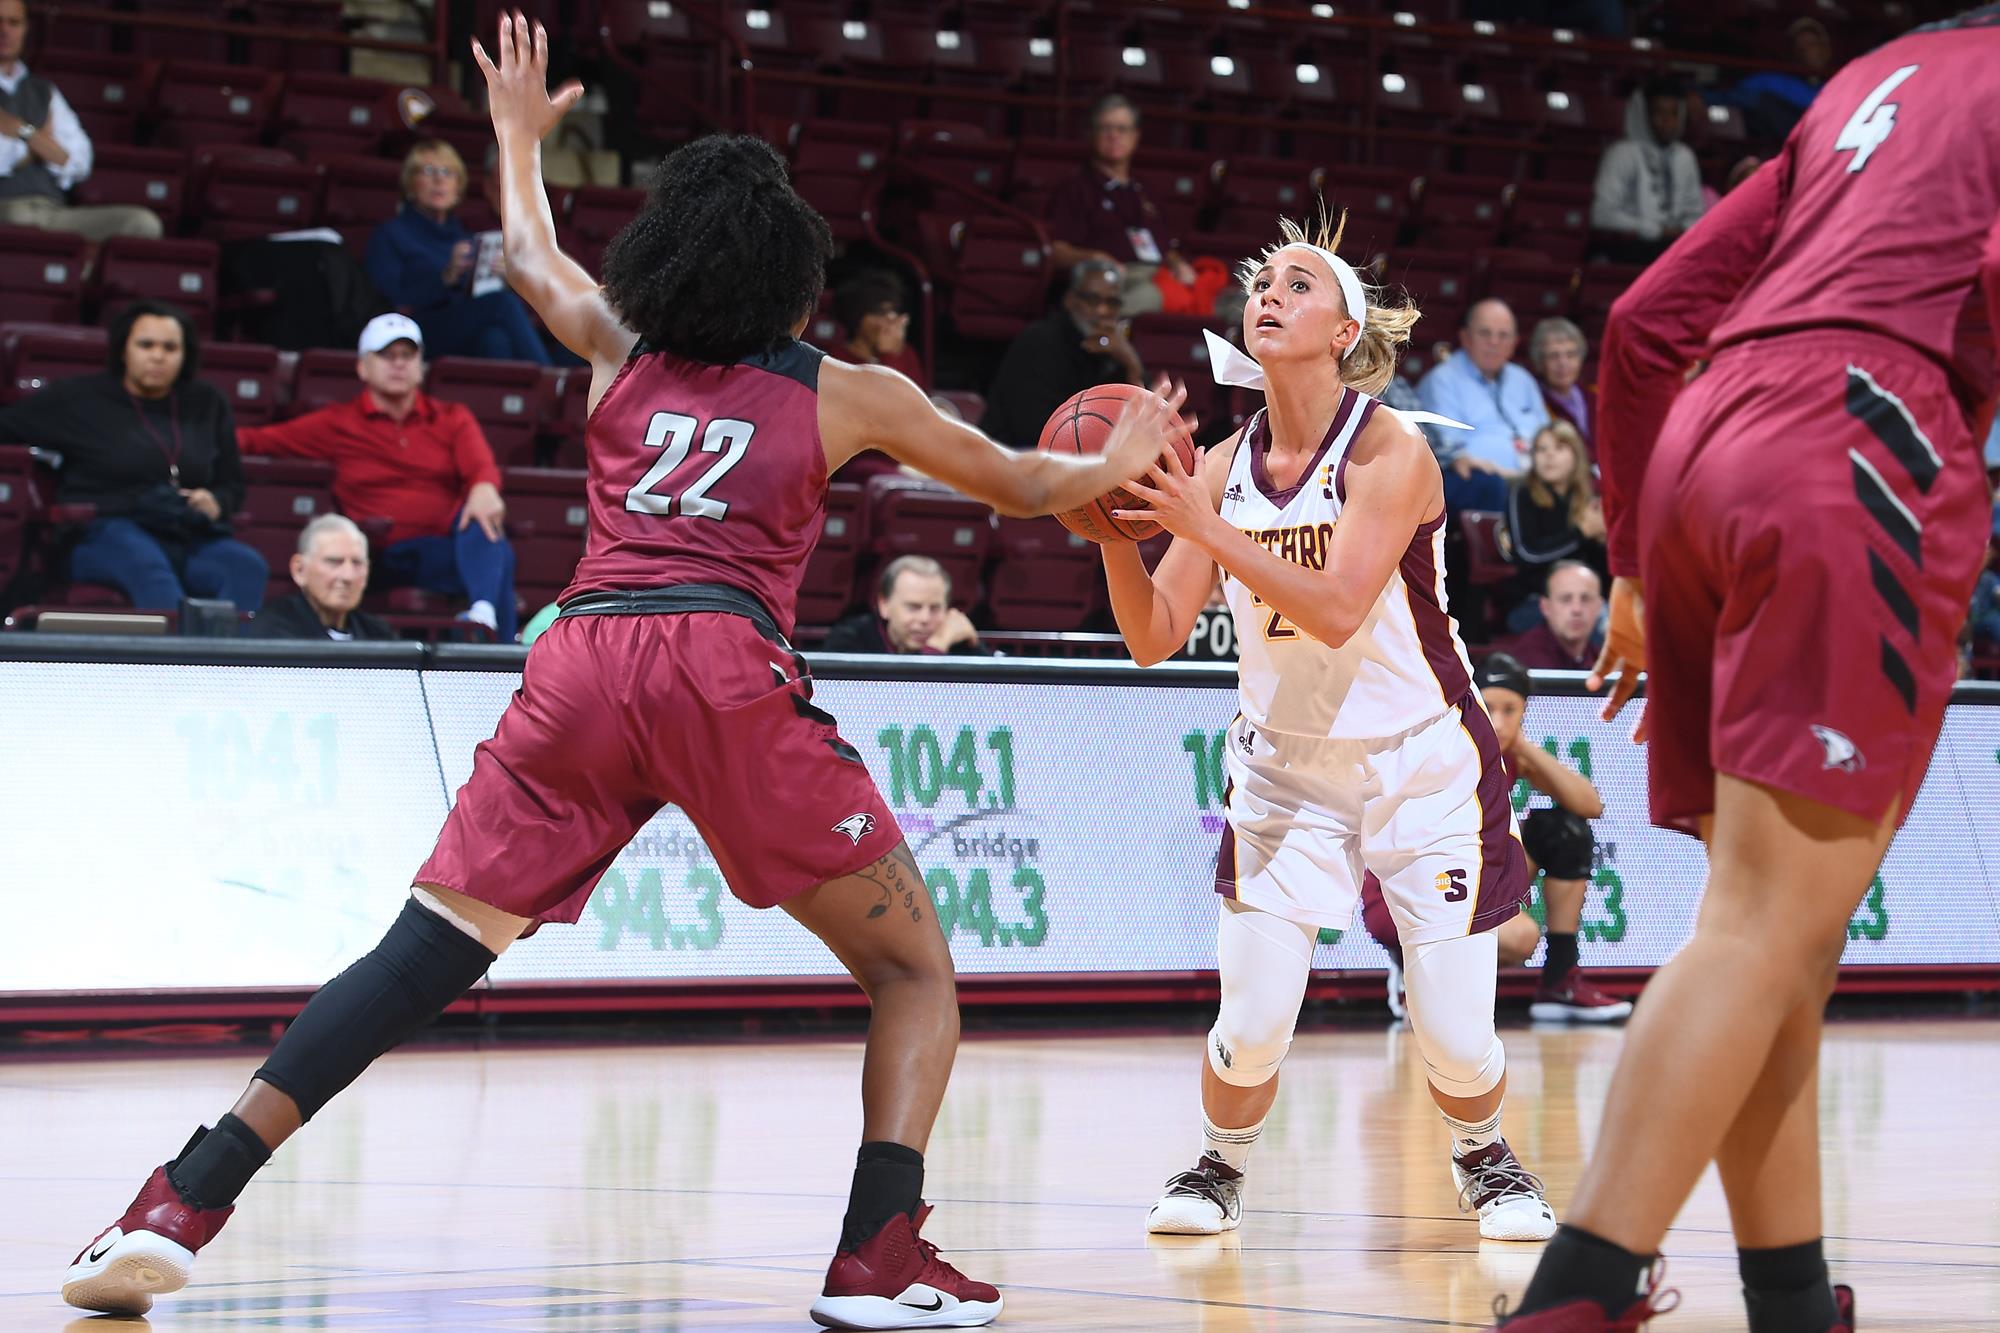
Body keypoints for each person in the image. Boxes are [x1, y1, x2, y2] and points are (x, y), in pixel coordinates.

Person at [60, 15, 1184, 1330]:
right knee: (915, 972)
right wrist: (1130, 452)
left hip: (581, 660)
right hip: (720, 663)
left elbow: (529, 253)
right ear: (794, 275)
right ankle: (876, 1256)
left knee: (421, 951)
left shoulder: (616, 344)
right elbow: (1024, 484)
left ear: (667, 254)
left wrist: (516, 138)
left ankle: (177, 1202)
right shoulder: (846, 388)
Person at [1491, 9, 2000, 1330]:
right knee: (1764, 932)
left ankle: (1789, 1303)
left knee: (1784, 947)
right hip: (1863, 431)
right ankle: (1578, 1294)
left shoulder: (1865, 84)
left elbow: (1647, 321)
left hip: (1706, 443)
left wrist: (1647, 571)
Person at [1099, 212, 1553, 1247]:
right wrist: (1111, 528)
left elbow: (1339, 606)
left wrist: (1193, 522)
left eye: (1296, 283)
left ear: (1344, 331)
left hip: (1421, 762)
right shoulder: (1214, 466)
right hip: (1280, 768)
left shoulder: (1389, 449)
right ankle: (1217, 1166)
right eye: (1260, 280)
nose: (1267, 291)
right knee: (1250, 1025)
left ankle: (1484, 1154)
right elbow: (1153, 637)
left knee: (1451, 1036)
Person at [1361, 654, 1629, 1023]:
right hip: (1410, 889)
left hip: (1465, 881)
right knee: (1518, 934)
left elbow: (1590, 804)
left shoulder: (1512, 752)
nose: (1500, 722)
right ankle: (1417, 968)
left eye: (1511, 710)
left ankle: (1559, 982)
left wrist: (1521, 747)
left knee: (1565, 831)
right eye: (1489, 708)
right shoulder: (1443, 749)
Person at [237, 313, 517, 641]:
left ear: (420, 364)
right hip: (382, 552)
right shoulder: (338, 423)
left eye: (407, 355)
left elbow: (481, 468)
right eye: (386, 355)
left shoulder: (452, 418)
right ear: (362, 367)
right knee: (498, 560)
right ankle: (492, 641)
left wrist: (485, 487)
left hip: (443, 547)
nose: (398, 364)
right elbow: (261, 440)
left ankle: (482, 615)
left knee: (486, 529)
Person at [0, 300, 266, 612]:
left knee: (246, 567)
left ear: (185, 354)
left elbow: (232, 484)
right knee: (149, 569)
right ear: (123, 349)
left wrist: (216, 501)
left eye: (170, 348)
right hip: (101, 532)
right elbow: (7, 427)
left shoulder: (207, 403)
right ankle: (173, 661)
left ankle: (228, 661)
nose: (158, 356)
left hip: (183, 531)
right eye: (146, 345)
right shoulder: (78, 399)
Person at [1042, 94, 1236, 320]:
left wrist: (1176, 263)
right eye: (1106, 128)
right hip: (1115, 280)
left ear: (1135, 137)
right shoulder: (1075, 188)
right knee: (1152, 296)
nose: (1114, 135)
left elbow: (1165, 247)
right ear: (1091, 134)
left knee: (1237, 305)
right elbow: (1056, 251)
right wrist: (1094, 256)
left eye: (1122, 129)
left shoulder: (1145, 190)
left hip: (1159, 275)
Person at [364, 139, 550, 364]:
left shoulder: (466, 238)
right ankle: (550, 382)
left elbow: (476, 299)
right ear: (410, 184)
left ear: (458, 187)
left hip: (460, 329)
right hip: (414, 331)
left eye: (448, 172)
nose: (439, 179)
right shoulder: (390, 235)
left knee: (494, 339)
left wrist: (507, 280)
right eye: (428, 170)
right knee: (502, 304)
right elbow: (387, 301)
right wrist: (444, 278)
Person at [0, 0, 162, 239]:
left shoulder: (45, 91)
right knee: (19, 217)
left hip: (54, 211)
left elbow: (79, 161)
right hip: (7, 207)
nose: (5, 30)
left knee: (143, 223)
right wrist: (45, 144)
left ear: (26, 28)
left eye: (14, 22)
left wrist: (25, 133)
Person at [979, 259, 1144, 451]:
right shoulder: (1040, 340)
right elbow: (1034, 430)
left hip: (1078, 461)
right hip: (1012, 457)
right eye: (1092, 300)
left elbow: (1146, 424)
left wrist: (1132, 365)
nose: (1102, 310)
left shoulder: (1117, 350)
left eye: (1112, 302)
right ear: (1070, 300)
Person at [1418, 299, 1550, 513]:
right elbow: (1451, 452)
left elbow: (1549, 435)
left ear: (1514, 343)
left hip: (1537, 478)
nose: (1494, 342)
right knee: (1491, 486)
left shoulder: (1523, 379)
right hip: (1489, 482)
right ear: (1466, 338)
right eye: (1485, 333)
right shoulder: (1442, 381)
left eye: (1503, 335)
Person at [1590, 76, 1707, 266]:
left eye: (1673, 113)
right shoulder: (1622, 153)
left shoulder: (1685, 156)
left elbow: (1696, 213)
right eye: (1659, 113)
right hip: (1631, 247)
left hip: (1675, 247)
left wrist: (1684, 230)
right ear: (1643, 115)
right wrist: (1654, 230)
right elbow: (1601, 214)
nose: (1667, 121)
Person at [1504, 424, 1605, 627]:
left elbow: (1598, 567)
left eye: (1559, 448)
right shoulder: (1522, 494)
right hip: (1535, 601)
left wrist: (1602, 540)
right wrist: (1581, 534)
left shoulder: (1587, 498)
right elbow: (1526, 553)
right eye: (1541, 449)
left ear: (1576, 456)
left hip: (1584, 599)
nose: (1549, 456)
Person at [248, 514, 397, 641]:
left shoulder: (380, 634)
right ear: (300, 569)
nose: (348, 576)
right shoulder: (271, 630)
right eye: (334, 562)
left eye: (357, 563)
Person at [819, 555, 987, 655]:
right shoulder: (848, 641)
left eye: (935, 608)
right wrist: (935, 649)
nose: (925, 618)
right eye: (914, 607)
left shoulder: (956, 639)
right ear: (884, 605)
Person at [1704, 18, 1836, 142]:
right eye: (1799, 47)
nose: (1806, 51)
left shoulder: (1841, 83)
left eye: (1812, 44)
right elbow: (1739, 93)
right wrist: (1701, 96)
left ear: (1826, 49)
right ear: (1793, 54)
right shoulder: (1779, 81)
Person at [1500, 561, 1606, 673]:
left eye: (1585, 599)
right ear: (1545, 607)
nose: (1577, 609)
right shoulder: (1528, 657)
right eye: (1565, 599)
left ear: (1599, 607)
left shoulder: (1600, 657)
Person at [832, 269, 926, 389]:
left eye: (894, 310)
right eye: (880, 312)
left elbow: (916, 404)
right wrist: (888, 357)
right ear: (857, 319)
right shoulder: (837, 360)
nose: (891, 318)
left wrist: (891, 355)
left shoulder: (906, 355)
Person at [1529, 317, 1594, 456]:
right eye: (1554, 356)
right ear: (1540, 362)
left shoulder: (1595, 396)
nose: (1563, 363)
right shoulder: (1534, 402)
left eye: (1571, 355)